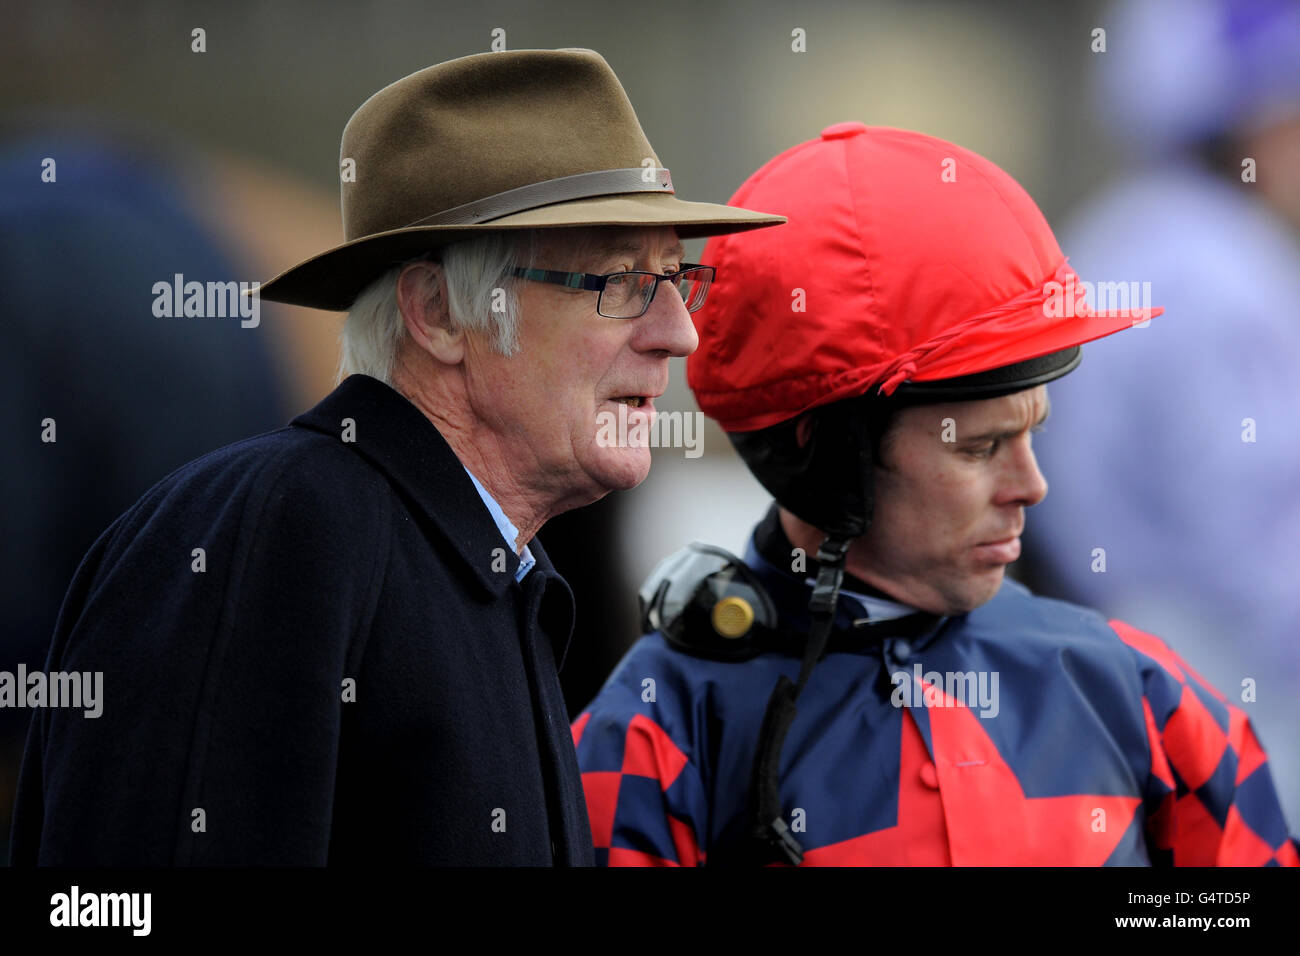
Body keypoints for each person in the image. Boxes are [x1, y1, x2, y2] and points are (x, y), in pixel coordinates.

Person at [8, 49, 783, 866]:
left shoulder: (493, 571)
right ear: (439, 311)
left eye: (674, 278)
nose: (678, 333)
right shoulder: (282, 529)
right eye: (620, 282)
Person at [572, 122, 1298, 866]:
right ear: (819, 457)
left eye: (1032, 434)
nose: (1032, 487)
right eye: (979, 448)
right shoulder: (658, 737)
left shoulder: (1142, 693)